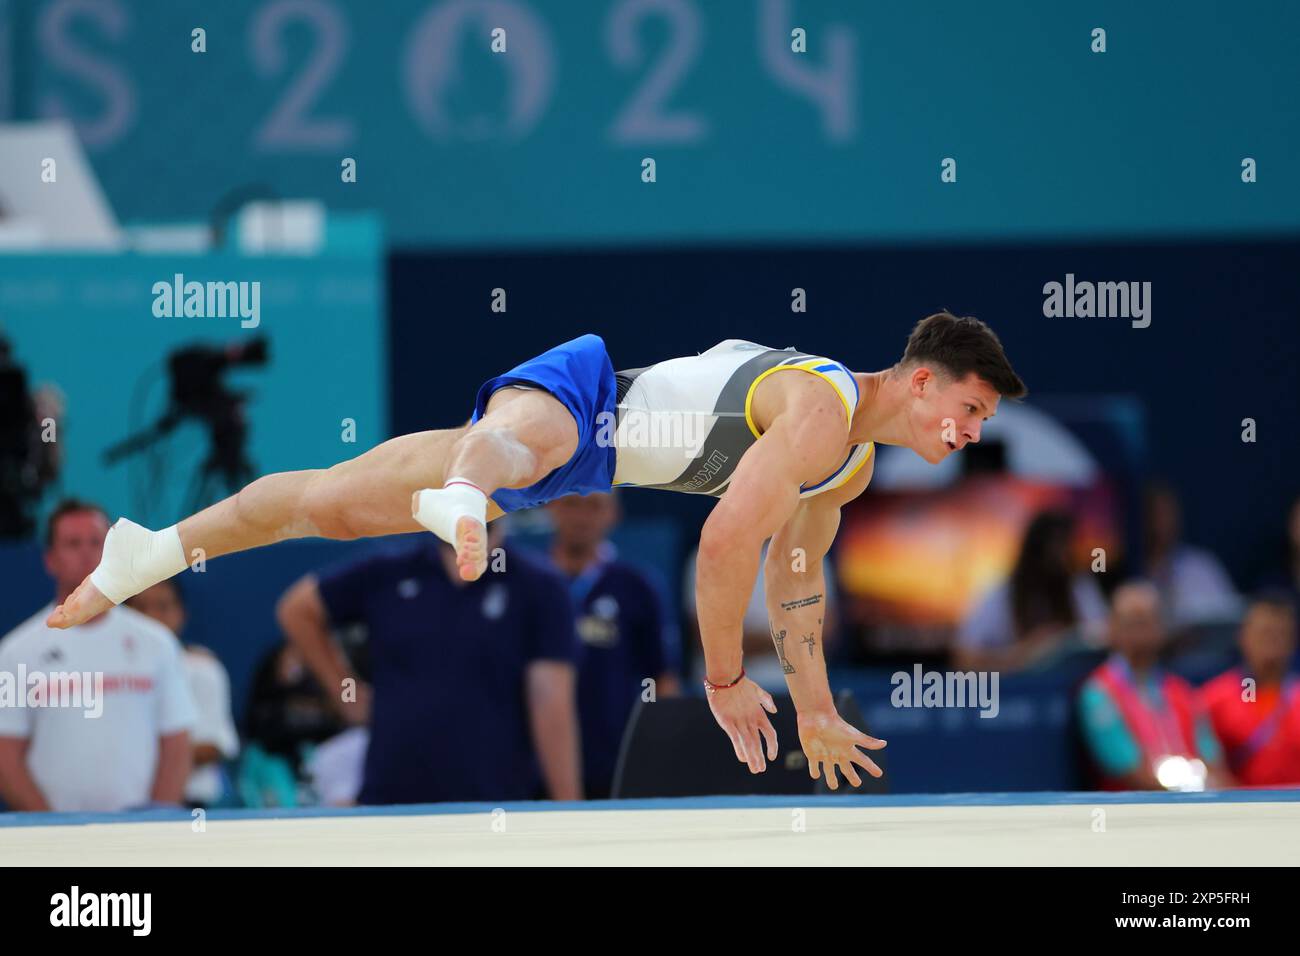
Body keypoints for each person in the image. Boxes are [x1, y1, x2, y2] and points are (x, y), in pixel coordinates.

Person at [49, 312, 1028, 788]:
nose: (971, 430)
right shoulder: (820, 409)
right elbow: (728, 535)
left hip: (586, 460)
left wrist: (813, 706)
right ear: (922, 379)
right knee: (526, 442)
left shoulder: (844, 469)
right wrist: (726, 676)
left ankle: (149, 550)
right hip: (590, 392)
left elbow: (795, 578)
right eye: (970, 409)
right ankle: (466, 496)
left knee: (330, 504)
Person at [276, 522, 582, 804]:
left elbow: (551, 703)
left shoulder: (537, 586)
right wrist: (348, 693)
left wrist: (568, 809)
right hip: (390, 800)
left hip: (492, 804)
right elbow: (297, 609)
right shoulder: (389, 572)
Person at [0, 499, 195, 812]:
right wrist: (49, 827)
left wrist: (156, 820)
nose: (87, 553)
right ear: (51, 559)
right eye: (73, 544)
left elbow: (176, 744)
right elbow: (6, 755)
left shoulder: (157, 643)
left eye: (96, 542)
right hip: (54, 842)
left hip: (141, 839)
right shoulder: (17, 651)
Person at [546, 492, 681, 798]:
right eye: (571, 503)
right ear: (550, 506)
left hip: (614, 754)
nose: (581, 517)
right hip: (534, 761)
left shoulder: (637, 586)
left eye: (594, 506)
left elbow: (663, 677)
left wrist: (661, 753)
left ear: (613, 513)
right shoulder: (531, 584)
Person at [1077, 581, 1230, 791]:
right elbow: (1126, 769)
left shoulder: (1183, 691)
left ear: (1161, 628)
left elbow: (1212, 760)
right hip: (1133, 811)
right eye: (1131, 623)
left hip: (1194, 805)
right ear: (1112, 628)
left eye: (1147, 622)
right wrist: (1185, 794)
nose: (1140, 632)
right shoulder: (1098, 693)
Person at [126, 579, 240, 807]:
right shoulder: (111, 673)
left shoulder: (203, 668)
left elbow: (212, 746)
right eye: (140, 608)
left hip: (193, 803)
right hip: (123, 805)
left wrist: (139, 753)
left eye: (163, 607)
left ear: (181, 614)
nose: (152, 617)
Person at [954, 510, 1108, 672]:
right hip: (1019, 689)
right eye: (1058, 546)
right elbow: (963, 657)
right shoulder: (1003, 594)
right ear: (1037, 550)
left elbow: (1104, 637)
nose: (1064, 555)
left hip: (1073, 686)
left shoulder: (1079, 586)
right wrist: (1025, 652)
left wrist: (1063, 641)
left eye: (1068, 546)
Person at [1200, 594, 1300, 786]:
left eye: (1280, 634)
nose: (1272, 643)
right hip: (1238, 807)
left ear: (1292, 641)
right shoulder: (1214, 698)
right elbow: (1204, 759)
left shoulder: (1295, 694)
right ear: (1243, 636)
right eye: (1265, 633)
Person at [1143, 480, 1241, 630]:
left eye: (1169, 513)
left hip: (1201, 651)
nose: (1165, 522)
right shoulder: (1127, 572)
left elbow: (1228, 618)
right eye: (1156, 514)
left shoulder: (1202, 565)